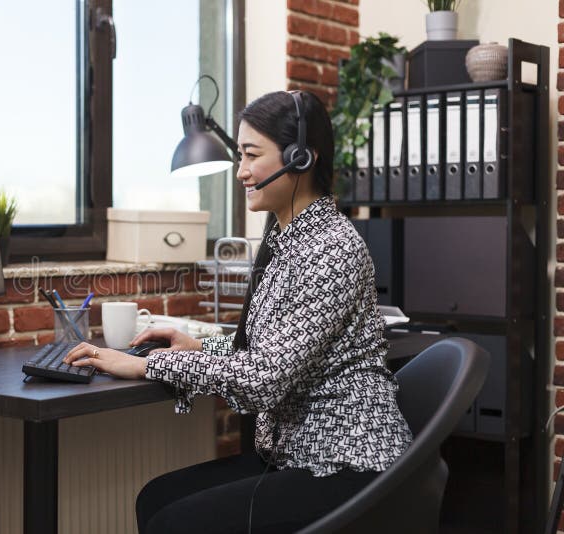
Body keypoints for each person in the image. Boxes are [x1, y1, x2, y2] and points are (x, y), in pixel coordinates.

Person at [63, 90, 413, 533]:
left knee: (174, 522)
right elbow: (269, 343)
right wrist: (198, 345)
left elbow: (265, 381)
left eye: (251, 155)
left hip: (344, 462)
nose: (241, 171)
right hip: (296, 453)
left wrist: (150, 365)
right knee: (155, 498)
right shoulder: (290, 238)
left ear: (300, 157)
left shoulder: (331, 248)